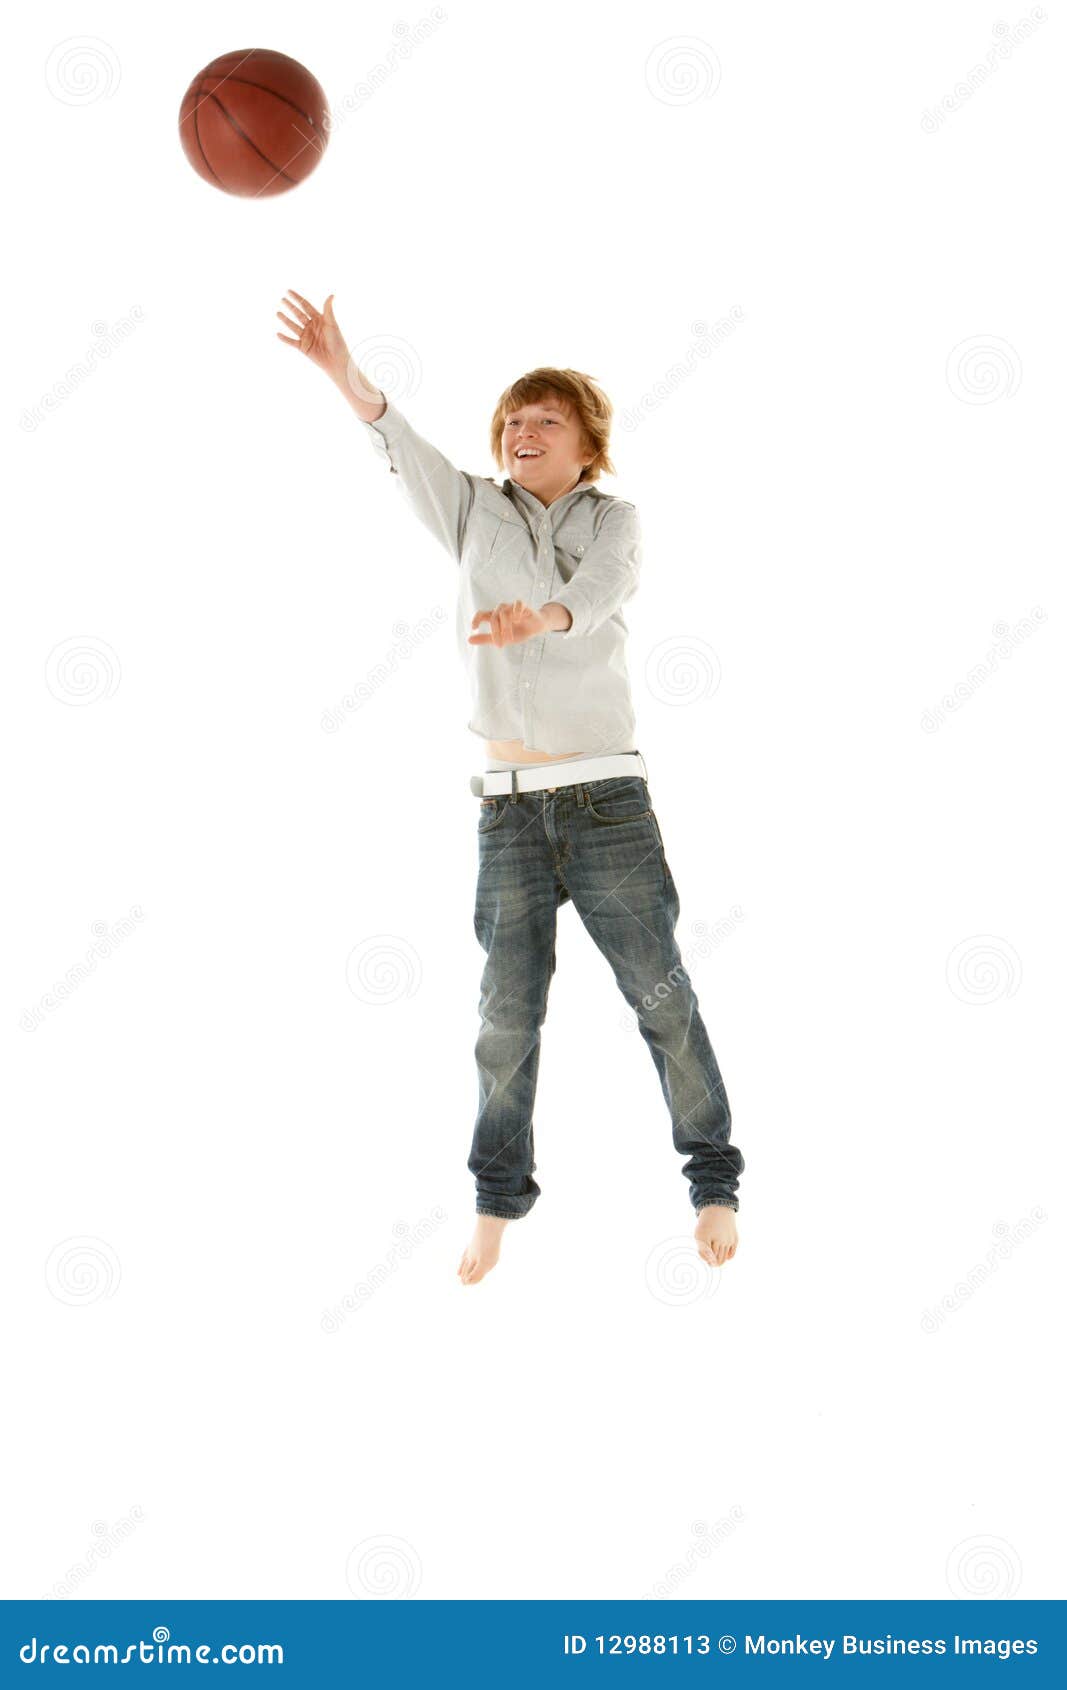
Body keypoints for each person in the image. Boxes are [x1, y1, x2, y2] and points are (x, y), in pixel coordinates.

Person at [277, 289, 744, 1284]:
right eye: (511, 421)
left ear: (585, 443)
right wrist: (338, 369)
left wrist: (543, 622)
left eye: (545, 420)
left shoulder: (615, 518)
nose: (521, 430)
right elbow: (397, 444)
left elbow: (600, 588)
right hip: (506, 812)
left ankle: (711, 1182)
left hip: (606, 802)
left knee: (660, 997)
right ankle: (496, 1201)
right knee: (503, 1016)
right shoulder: (474, 513)